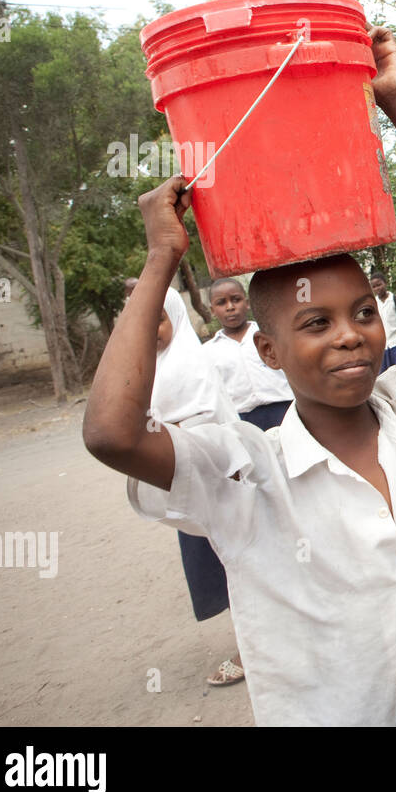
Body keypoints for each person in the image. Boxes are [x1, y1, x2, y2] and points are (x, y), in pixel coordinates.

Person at [83, 25, 396, 727]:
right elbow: (111, 434)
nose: (350, 335)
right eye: (316, 324)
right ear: (268, 352)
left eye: (363, 312)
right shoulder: (244, 469)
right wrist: (161, 257)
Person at [150, 287, 246, 687]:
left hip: (215, 481)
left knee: (240, 564)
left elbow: (204, 426)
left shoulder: (188, 362)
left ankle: (250, 649)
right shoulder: (158, 364)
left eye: (158, 318)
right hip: (187, 485)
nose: (148, 329)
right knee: (222, 566)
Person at [202, 277, 294, 429]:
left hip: (284, 409)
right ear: (212, 310)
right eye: (221, 303)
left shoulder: (269, 335)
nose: (230, 307)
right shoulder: (207, 351)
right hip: (240, 419)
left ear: (247, 303)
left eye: (236, 299)